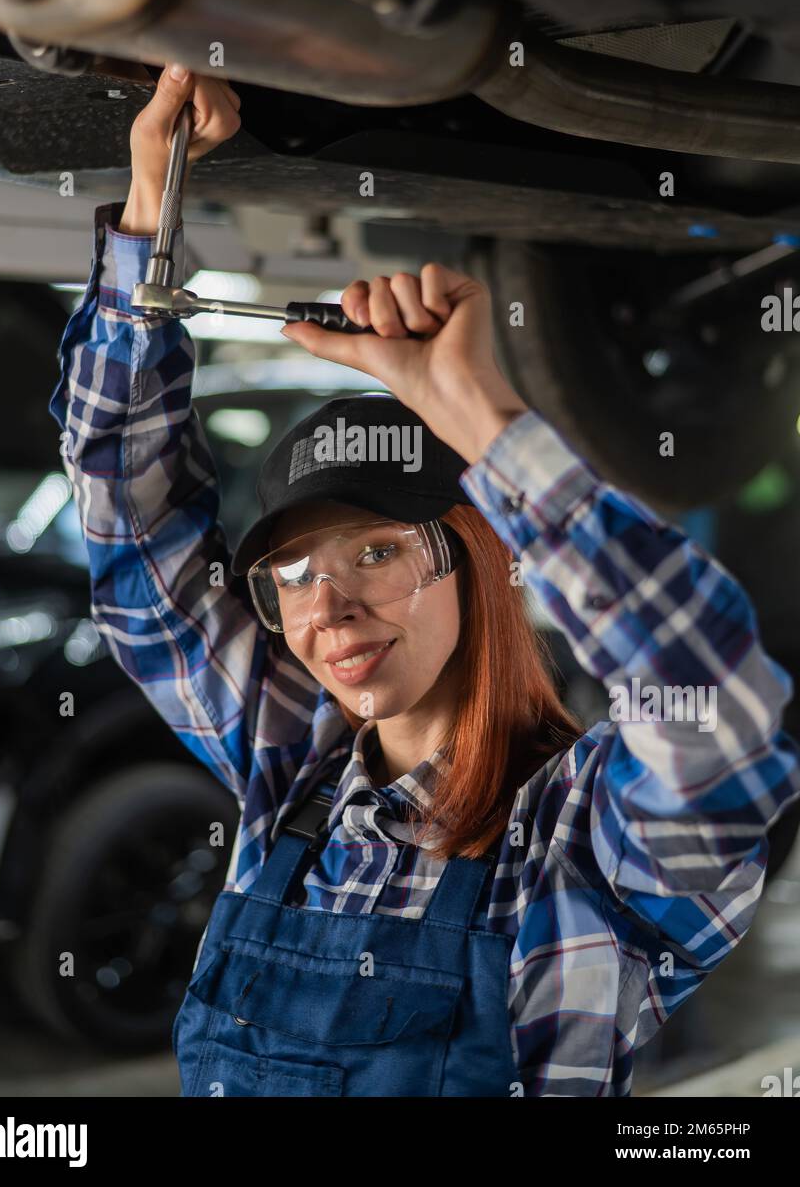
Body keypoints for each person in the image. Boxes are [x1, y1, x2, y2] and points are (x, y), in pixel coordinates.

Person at [49, 63, 800, 1098]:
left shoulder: (585, 849)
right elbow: (133, 541)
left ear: (478, 553)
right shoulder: (291, 782)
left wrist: (485, 418)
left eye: (376, 551)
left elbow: (721, 720)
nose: (326, 607)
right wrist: (149, 205)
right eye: (293, 574)